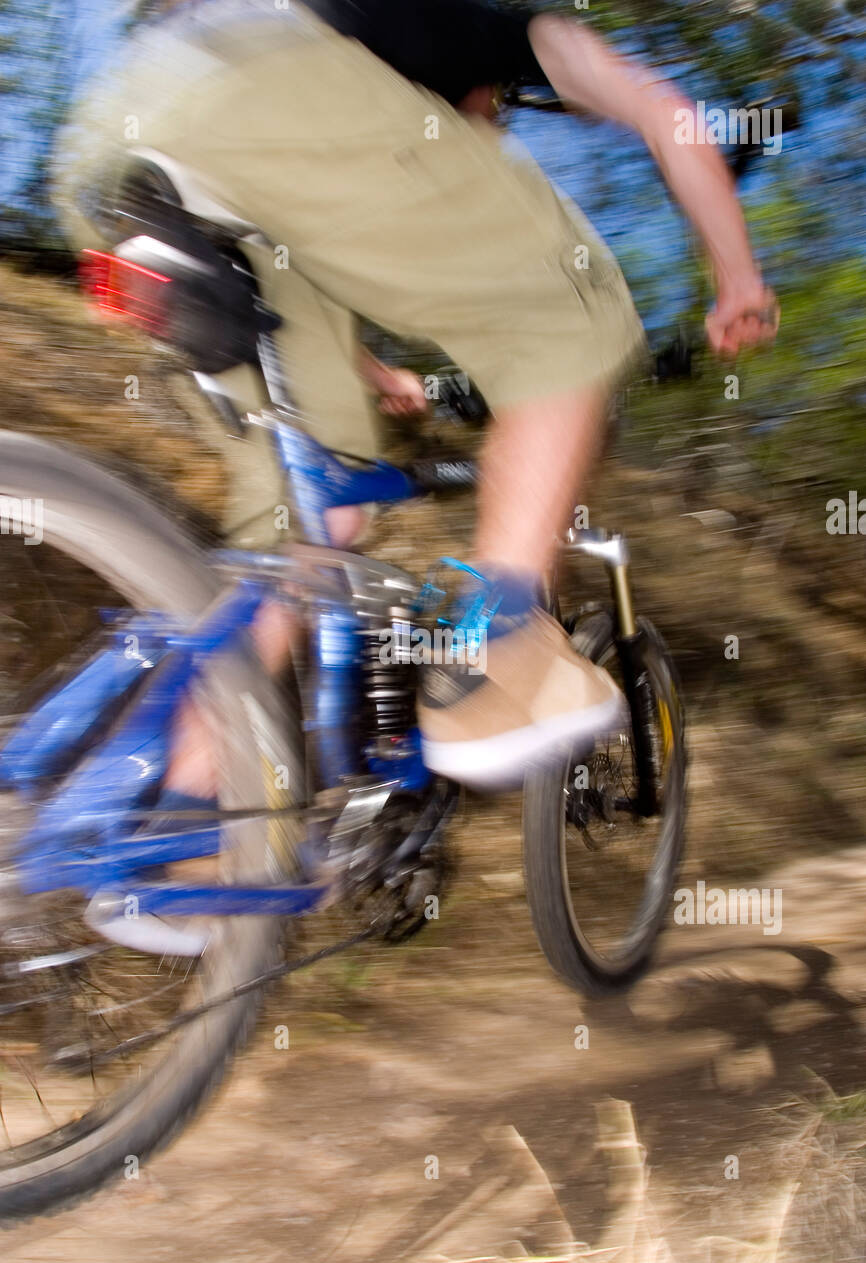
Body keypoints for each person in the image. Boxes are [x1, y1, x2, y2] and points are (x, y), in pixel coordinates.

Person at [55, 0, 778, 791]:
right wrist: (737, 276)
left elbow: (297, 262)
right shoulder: (508, 27)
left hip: (114, 144)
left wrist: (371, 373)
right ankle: (501, 656)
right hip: (262, 83)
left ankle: (172, 807)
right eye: (498, 109)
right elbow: (662, 110)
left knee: (311, 518)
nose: (491, 126)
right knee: (569, 305)